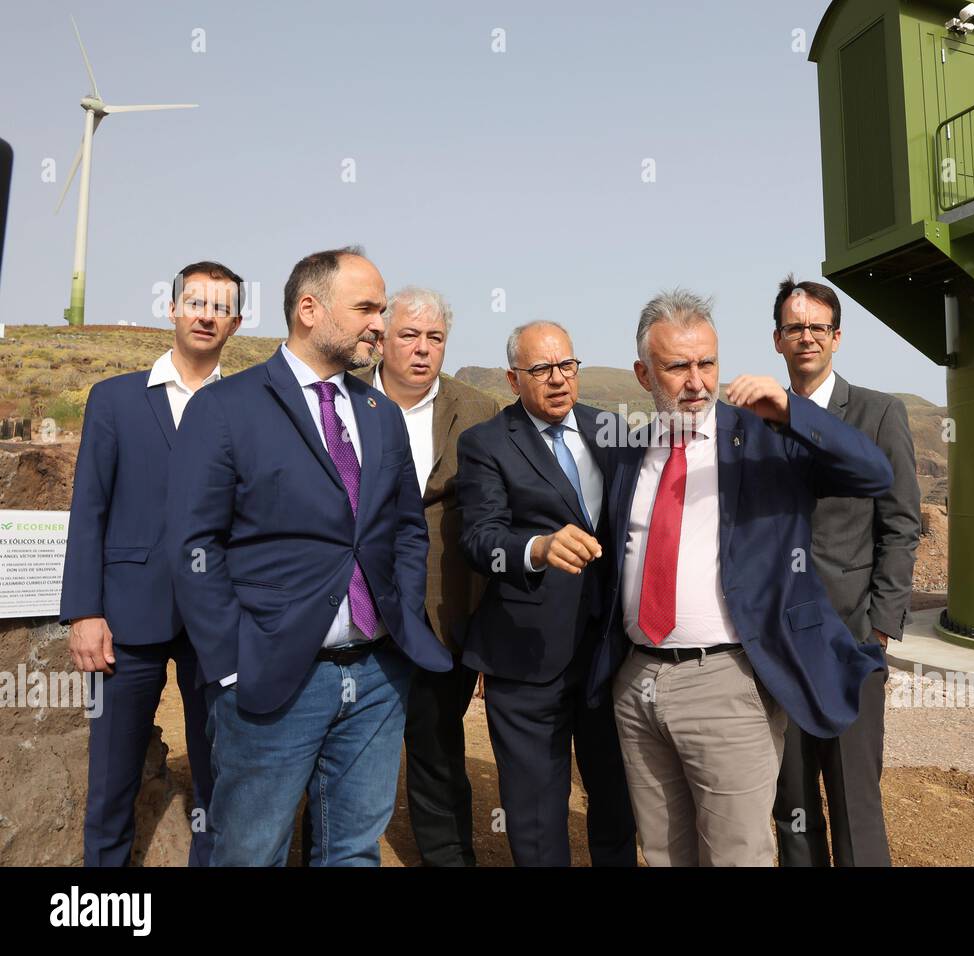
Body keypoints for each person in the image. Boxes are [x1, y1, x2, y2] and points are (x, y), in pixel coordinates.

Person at [165, 246, 451, 866]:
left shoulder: (379, 414)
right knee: (250, 851)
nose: (381, 322)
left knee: (351, 850)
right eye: (368, 308)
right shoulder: (225, 408)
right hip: (270, 676)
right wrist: (234, 660)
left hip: (377, 676)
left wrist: (397, 629)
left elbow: (404, 529)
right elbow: (193, 546)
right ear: (309, 308)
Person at [597, 288, 894, 866]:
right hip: (637, 682)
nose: (696, 381)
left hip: (726, 683)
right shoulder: (632, 452)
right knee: (662, 850)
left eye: (706, 362)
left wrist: (792, 411)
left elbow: (873, 473)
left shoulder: (763, 438)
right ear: (642, 373)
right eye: (676, 366)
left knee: (736, 853)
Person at [61, 260, 243, 866]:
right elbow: (89, 509)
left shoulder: (248, 408)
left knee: (221, 775)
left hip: (217, 622)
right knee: (111, 780)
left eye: (220, 307)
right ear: (171, 309)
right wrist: (84, 611)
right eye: (195, 302)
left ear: (235, 322)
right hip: (124, 618)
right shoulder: (113, 401)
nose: (205, 314)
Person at [455, 320, 636, 867]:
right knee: (535, 810)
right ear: (514, 379)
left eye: (566, 366)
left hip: (610, 649)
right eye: (540, 370)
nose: (557, 380)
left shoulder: (612, 430)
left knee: (614, 798)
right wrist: (535, 548)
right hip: (526, 653)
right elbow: (478, 538)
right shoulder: (486, 443)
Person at [769, 275, 921, 867]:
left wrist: (879, 629)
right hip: (780, 648)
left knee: (856, 800)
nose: (805, 337)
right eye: (794, 327)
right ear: (777, 340)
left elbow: (902, 524)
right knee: (792, 801)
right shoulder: (760, 420)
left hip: (850, 640)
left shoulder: (879, 414)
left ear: (836, 338)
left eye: (817, 327)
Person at [356, 286, 498, 866]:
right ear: (382, 339)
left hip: (446, 620)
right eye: (409, 336)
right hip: (354, 616)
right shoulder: (340, 402)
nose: (422, 349)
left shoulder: (481, 412)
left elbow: (494, 525)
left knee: (438, 755)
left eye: (434, 338)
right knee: (344, 753)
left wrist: (489, 634)